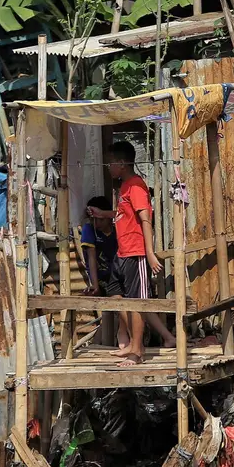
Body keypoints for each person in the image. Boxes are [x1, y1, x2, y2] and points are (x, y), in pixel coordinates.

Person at [85, 141, 176, 365]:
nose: (108, 166)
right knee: (116, 296)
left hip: (135, 253)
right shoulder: (124, 187)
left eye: (112, 162)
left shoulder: (136, 186)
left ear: (123, 163)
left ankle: (137, 351)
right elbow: (122, 213)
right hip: (122, 253)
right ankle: (129, 342)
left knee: (137, 302)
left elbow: (145, 219)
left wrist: (150, 253)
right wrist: (104, 213)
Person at [80, 195, 118, 297]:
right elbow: (91, 257)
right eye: (93, 220)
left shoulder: (118, 231)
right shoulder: (89, 229)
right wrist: (96, 286)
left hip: (117, 278)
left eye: (100, 220)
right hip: (100, 280)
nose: (96, 224)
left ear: (109, 217)